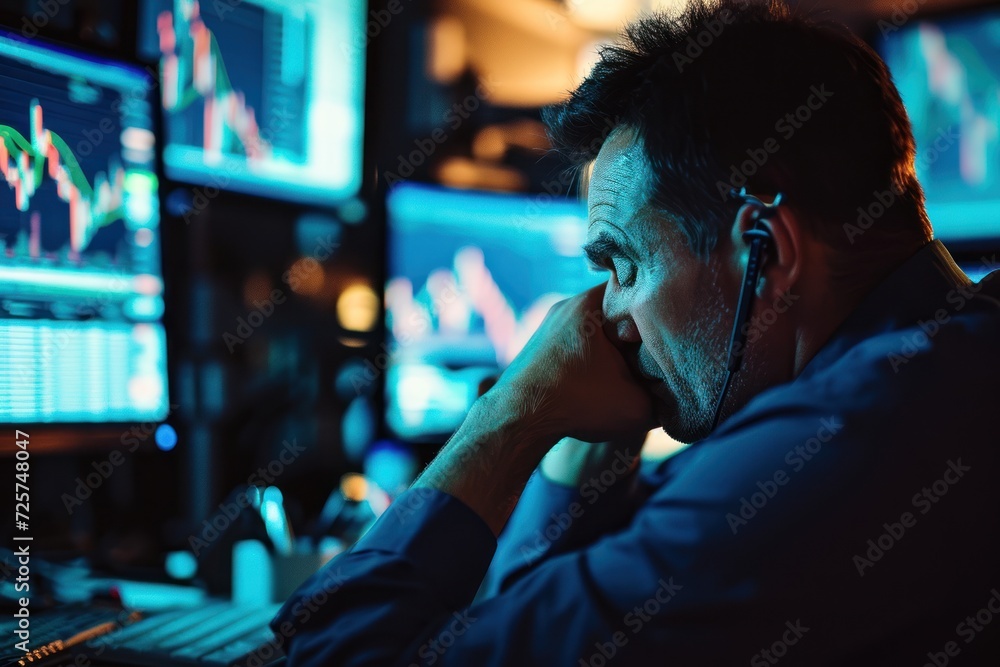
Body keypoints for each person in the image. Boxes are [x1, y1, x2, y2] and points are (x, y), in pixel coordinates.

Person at [271, 1, 1000, 664]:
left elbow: (338, 658)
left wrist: (510, 414)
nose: (603, 316)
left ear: (767, 251)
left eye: (622, 264)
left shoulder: (837, 448)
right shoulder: (944, 367)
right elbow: (537, 624)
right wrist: (582, 449)